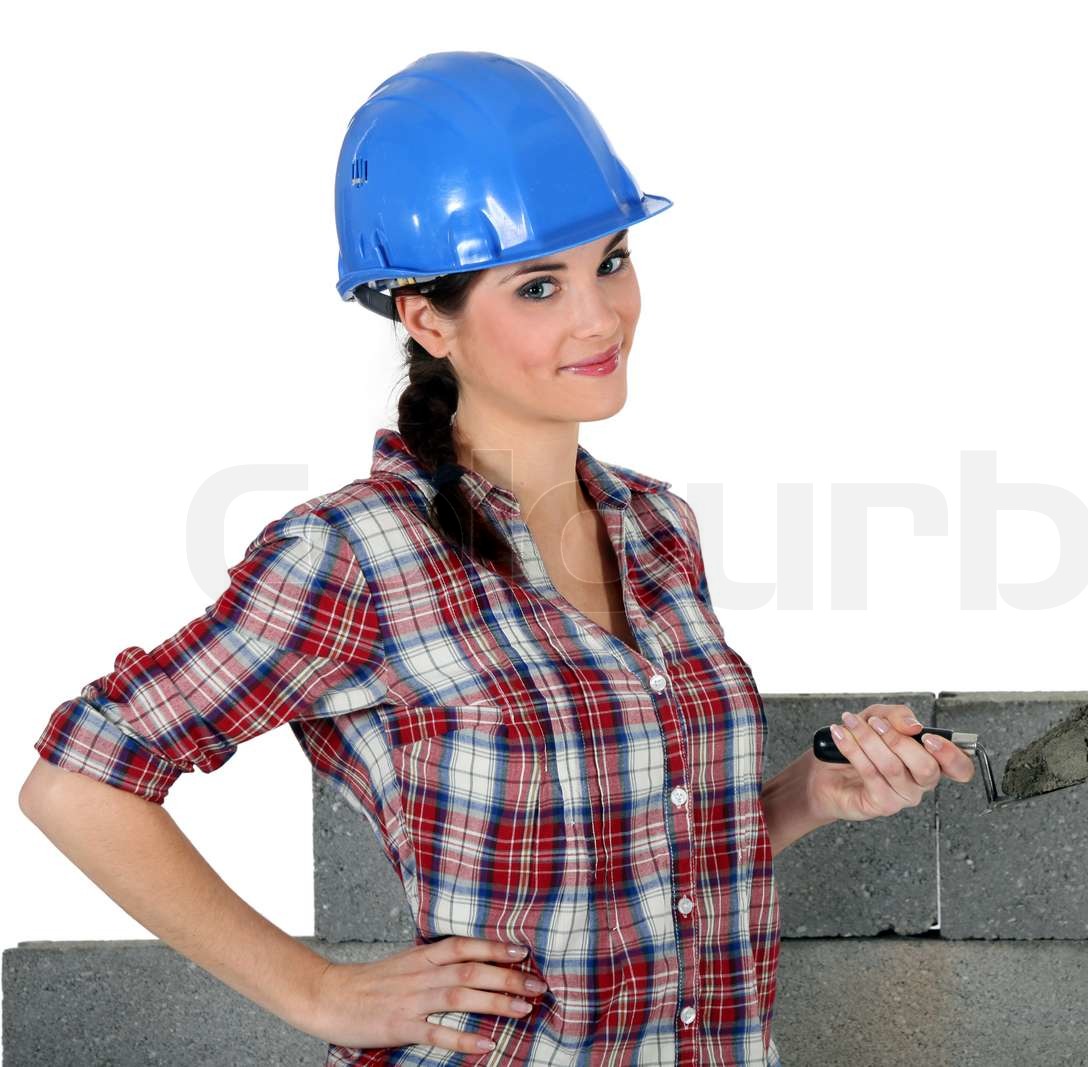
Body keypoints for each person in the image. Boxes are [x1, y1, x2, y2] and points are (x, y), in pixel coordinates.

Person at [17, 51, 975, 1066]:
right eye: (536, 285)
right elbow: (81, 779)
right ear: (426, 318)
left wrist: (814, 793)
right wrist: (320, 992)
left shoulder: (655, 528)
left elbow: (640, 852)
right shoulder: (357, 556)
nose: (598, 317)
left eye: (610, 261)